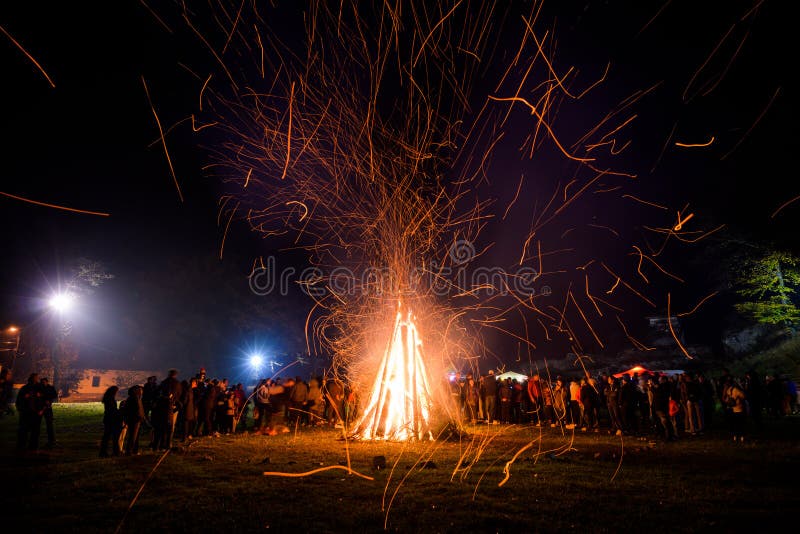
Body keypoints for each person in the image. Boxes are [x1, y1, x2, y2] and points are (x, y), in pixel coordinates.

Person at [16, 373, 45, 452]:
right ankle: (22, 446)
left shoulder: (40, 388)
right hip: (27, 412)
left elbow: (44, 399)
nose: (36, 379)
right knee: (24, 430)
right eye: (35, 378)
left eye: (36, 378)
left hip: (36, 412)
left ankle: (33, 446)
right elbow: (19, 400)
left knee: (35, 431)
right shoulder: (25, 388)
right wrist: (21, 409)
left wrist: (42, 409)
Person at [100, 386, 123, 457]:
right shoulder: (110, 399)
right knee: (110, 437)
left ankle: (103, 452)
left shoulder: (108, 398)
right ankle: (107, 452)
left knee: (106, 437)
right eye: (116, 391)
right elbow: (112, 410)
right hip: (111, 420)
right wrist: (120, 411)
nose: (117, 393)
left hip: (108, 419)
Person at [123, 385, 146, 455]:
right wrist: (141, 417)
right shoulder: (135, 398)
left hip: (135, 419)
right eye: (141, 390)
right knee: (133, 436)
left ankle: (134, 450)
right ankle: (129, 451)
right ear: (137, 391)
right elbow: (137, 410)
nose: (142, 391)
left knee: (135, 436)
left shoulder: (136, 398)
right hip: (135, 420)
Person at [40, 377, 58, 448]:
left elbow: (54, 395)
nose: (43, 383)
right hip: (40, 407)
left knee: (49, 424)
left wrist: (48, 400)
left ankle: (51, 440)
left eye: (44, 382)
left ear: (47, 382)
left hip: (47, 408)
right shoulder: (40, 388)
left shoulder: (50, 388)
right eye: (42, 382)